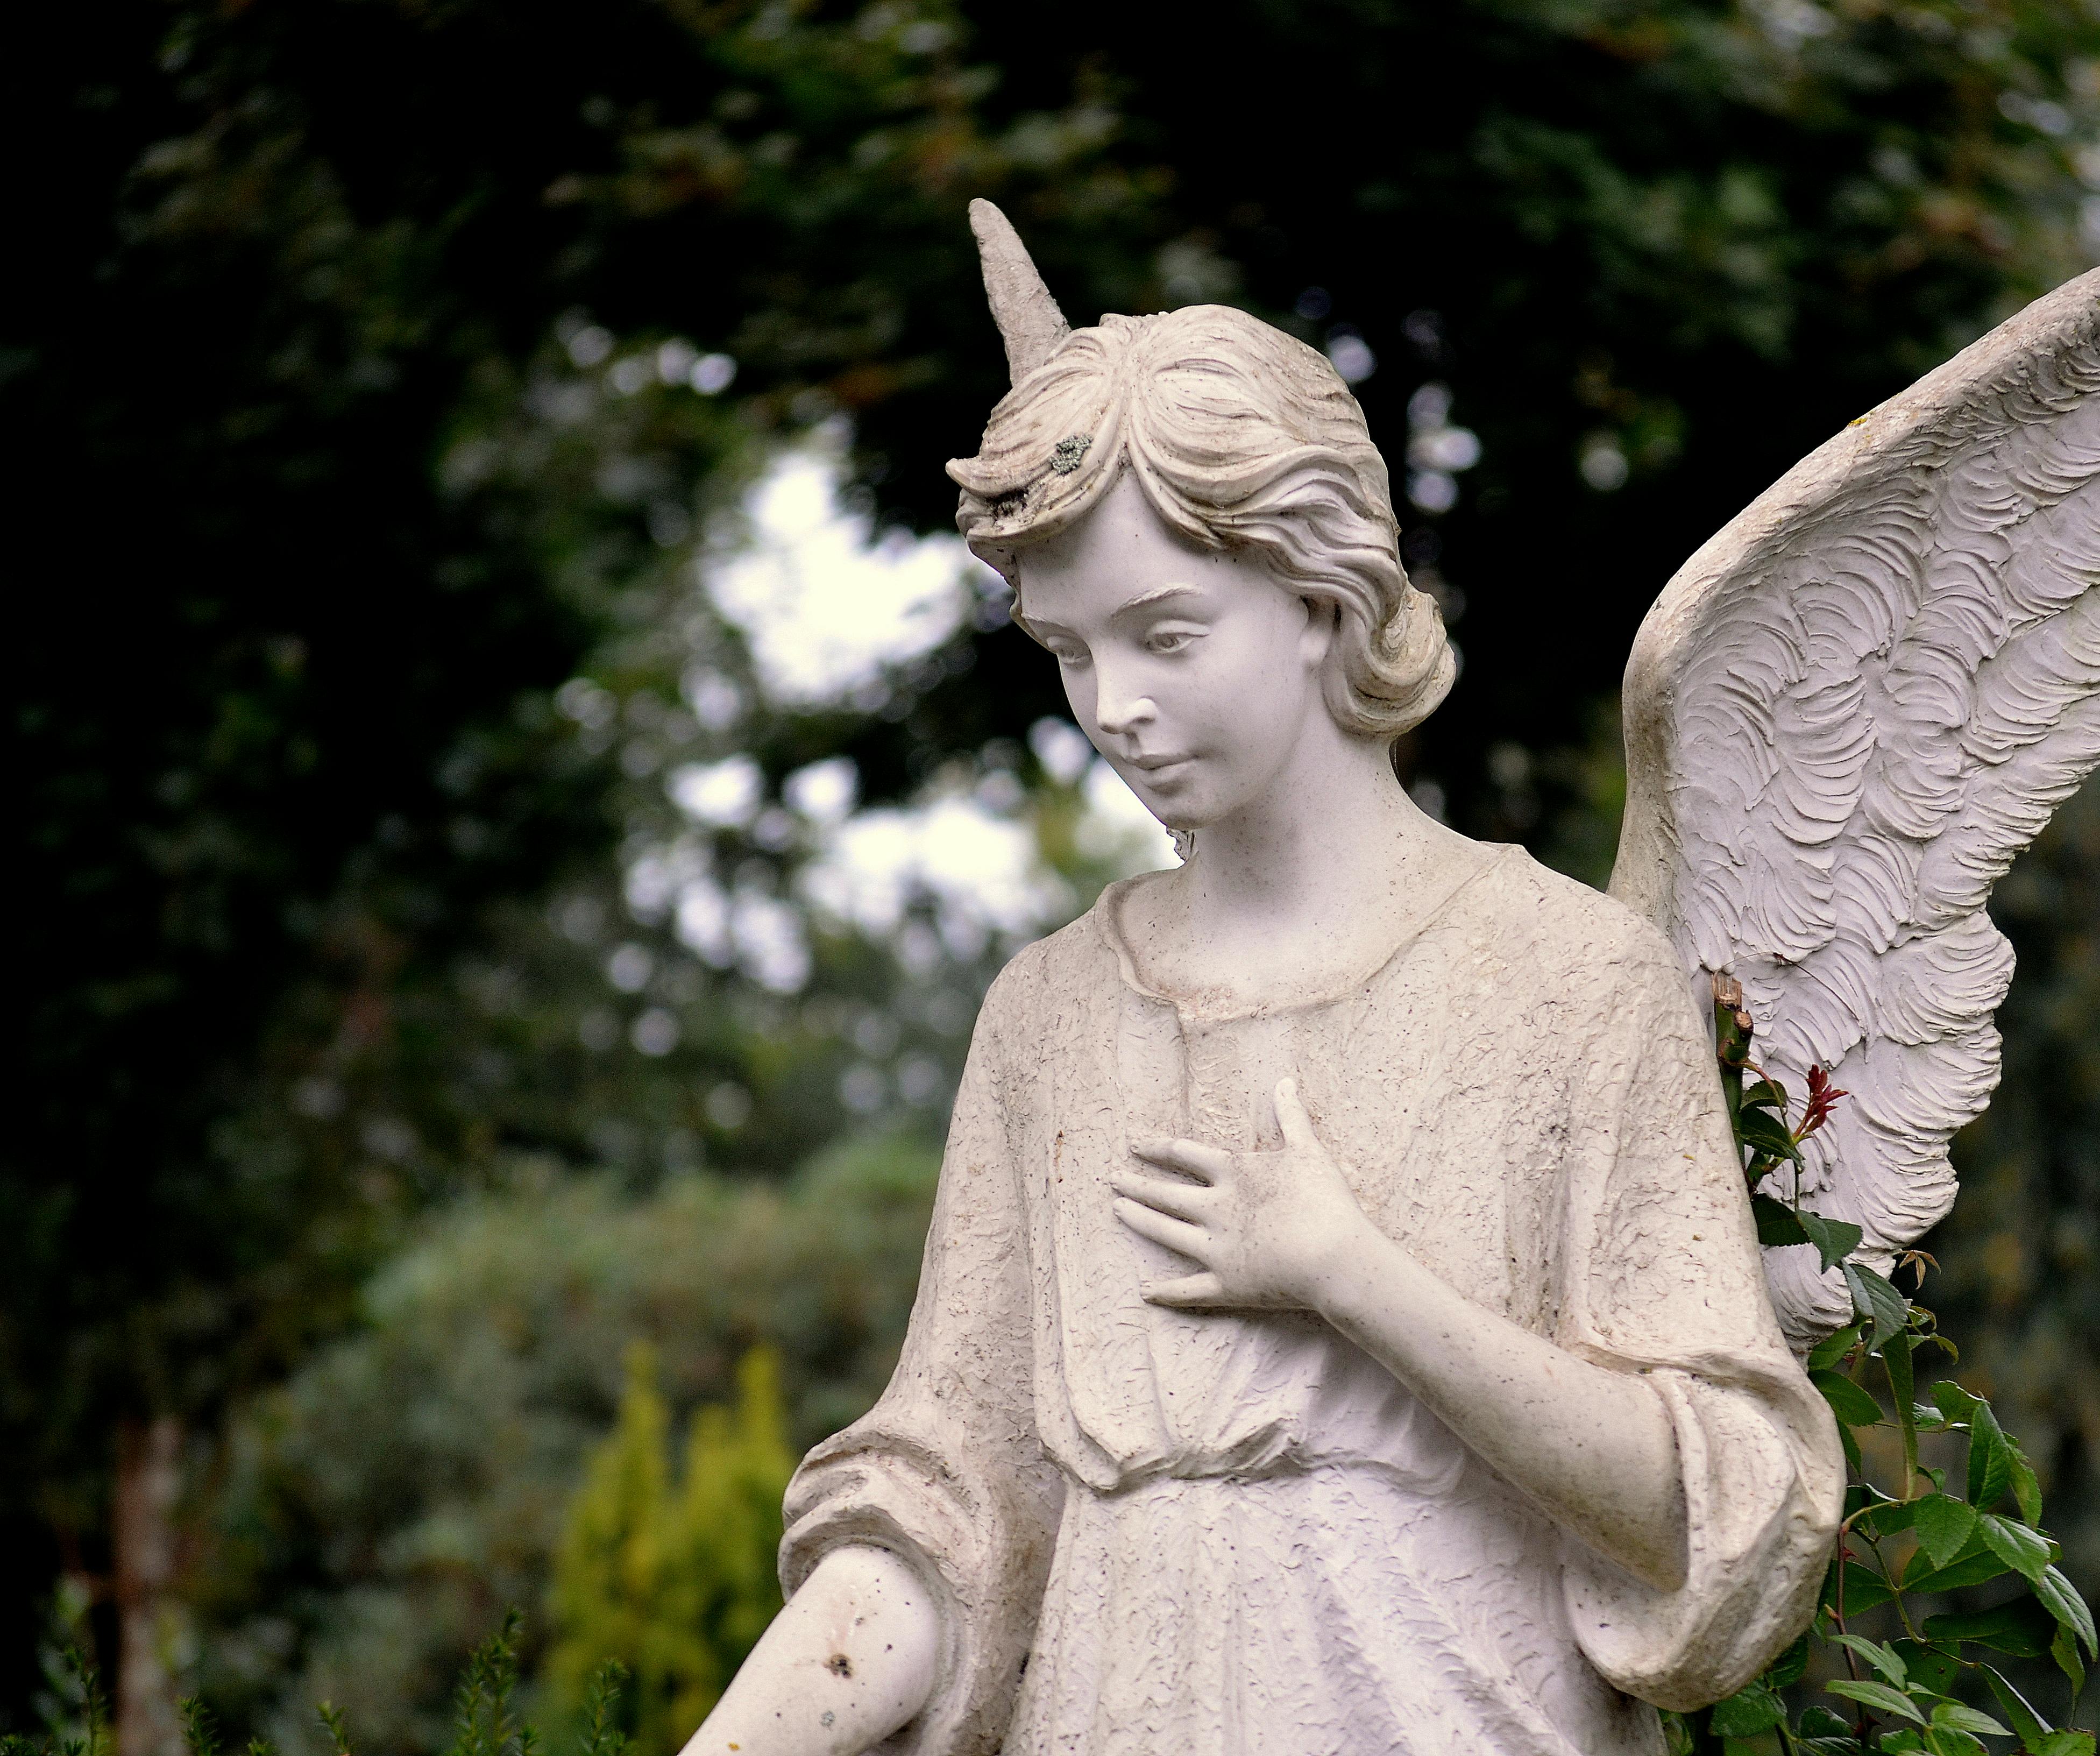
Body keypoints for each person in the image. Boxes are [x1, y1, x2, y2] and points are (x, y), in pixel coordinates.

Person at [681, 293, 1841, 1756]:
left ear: (1316, 594)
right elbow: (949, 1508)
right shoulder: (1049, 1016)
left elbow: (1721, 1510)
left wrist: (1353, 1279)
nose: (1117, 709)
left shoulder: (1566, 980)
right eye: (1072, 650)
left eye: (1166, 633)